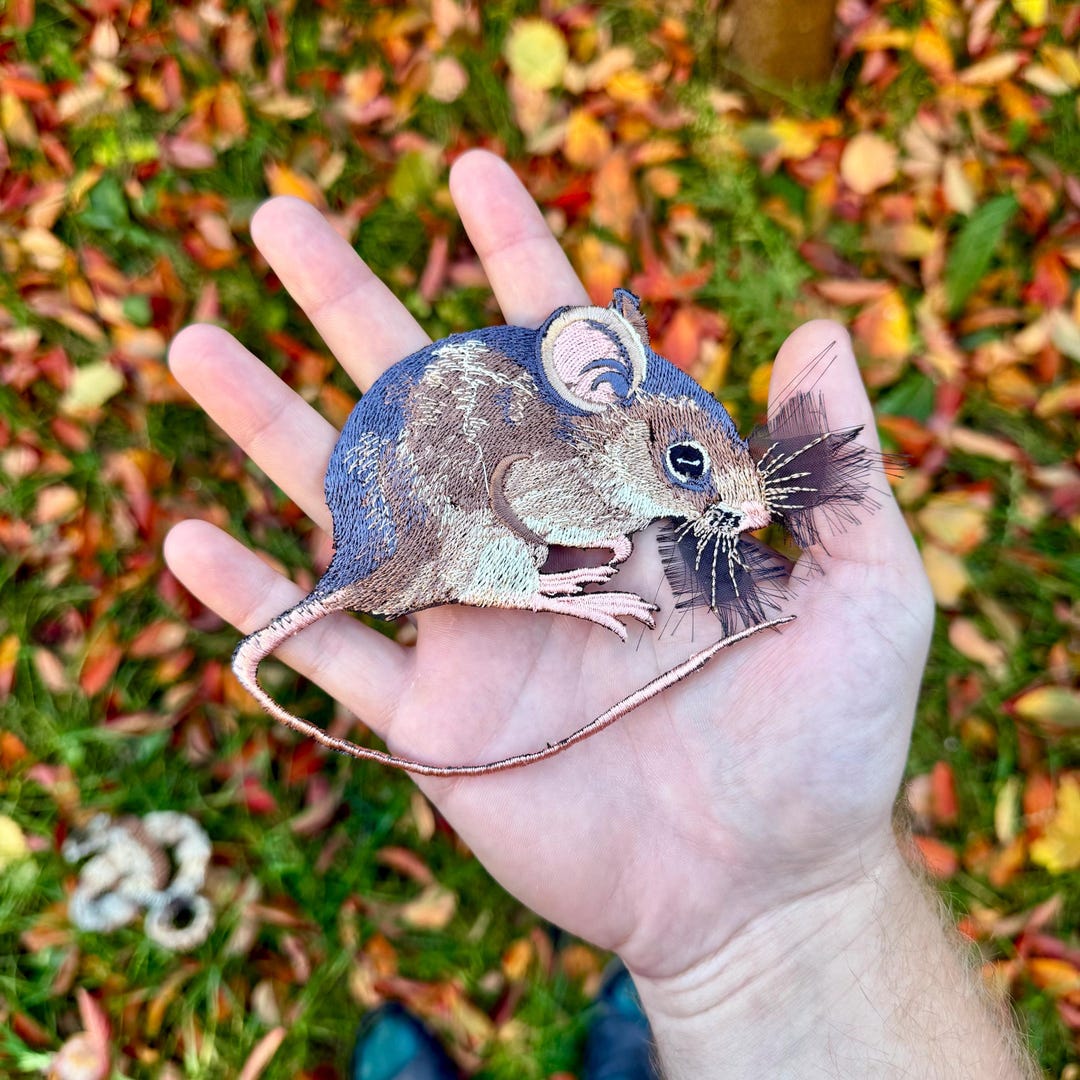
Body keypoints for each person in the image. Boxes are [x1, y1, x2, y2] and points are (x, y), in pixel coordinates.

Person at [165, 150, 1037, 1078]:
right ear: (596, 392)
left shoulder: (612, 451)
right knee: (495, 533)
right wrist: (548, 582)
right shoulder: (580, 470)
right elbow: (526, 500)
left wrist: (799, 918)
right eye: (691, 467)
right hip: (429, 529)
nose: (732, 508)